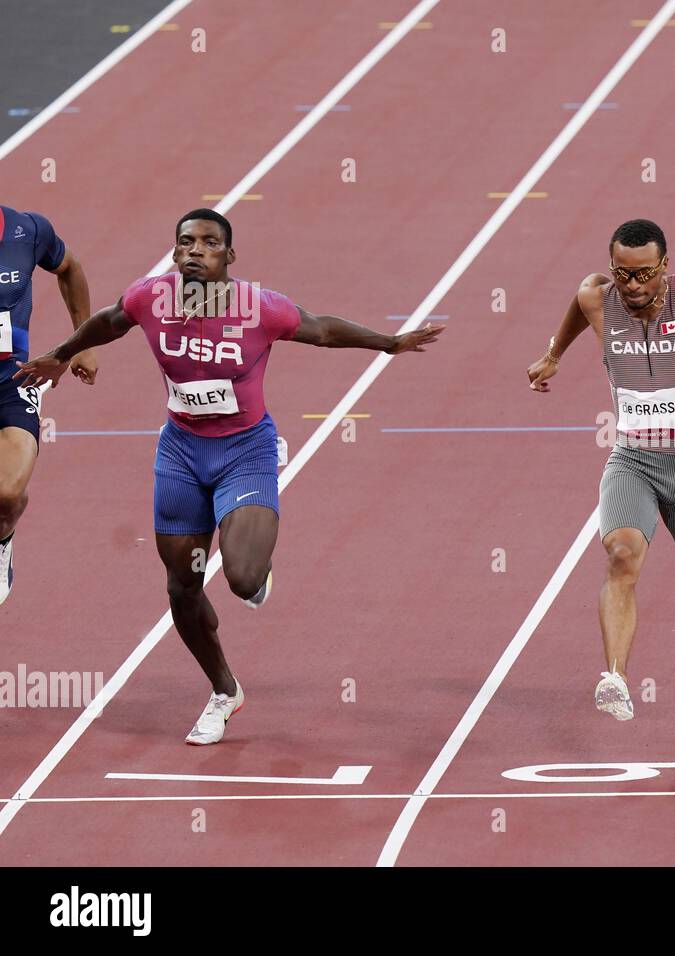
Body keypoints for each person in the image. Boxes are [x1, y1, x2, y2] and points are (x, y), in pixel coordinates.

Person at [15, 209, 443, 742]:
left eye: (209, 243)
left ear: (229, 257)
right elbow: (108, 320)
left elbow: (323, 330)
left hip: (246, 450)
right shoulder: (150, 298)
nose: (195, 250)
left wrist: (388, 342)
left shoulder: (258, 308)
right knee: (182, 586)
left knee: (242, 579)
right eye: (186, 242)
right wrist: (62, 353)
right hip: (180, 455)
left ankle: (257, 570)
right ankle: (223, 691)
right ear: (174, 252)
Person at [527, 219, 675, 719]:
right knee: (622, 557)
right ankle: (615, 678)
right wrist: (552, 356)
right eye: (622, 274)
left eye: (643, 274)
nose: (631, 286)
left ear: (665, 266)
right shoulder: (597, 297)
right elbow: (577, 306)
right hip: (630, 459)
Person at [0, 204, 98, 605]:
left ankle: (3, 540)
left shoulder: (27, 230)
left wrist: (81, 344)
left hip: (11, 382)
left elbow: (70, 269)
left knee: (7, 495)